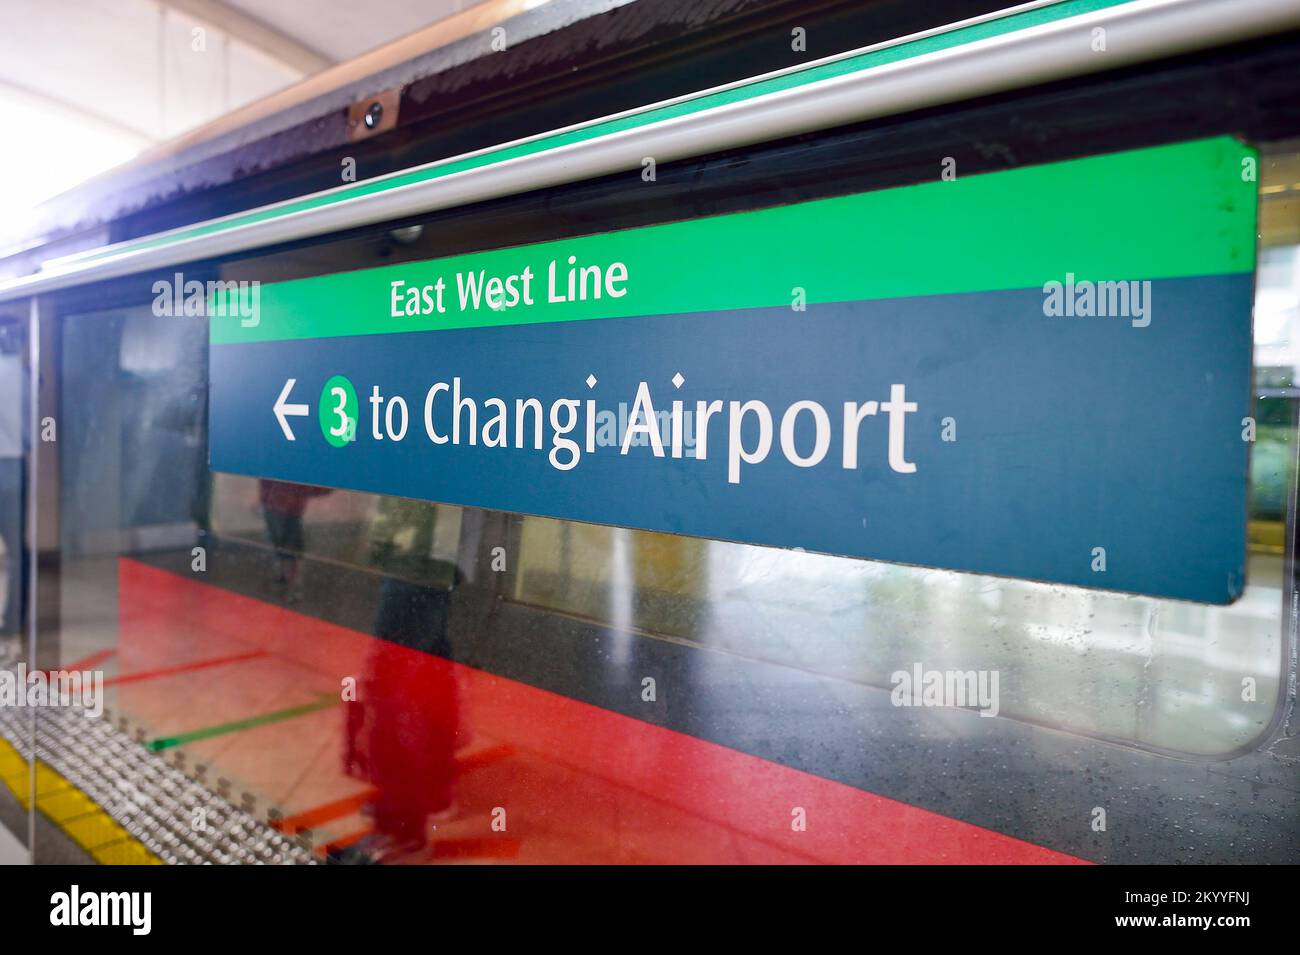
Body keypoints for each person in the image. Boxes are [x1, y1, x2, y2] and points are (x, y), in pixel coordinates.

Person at [257, 479, 330, 601]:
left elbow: (316, 489)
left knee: (291, 550)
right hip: (279, 507)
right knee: (283, 547)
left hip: (288, 509)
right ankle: (285, 579)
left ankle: (293, 585)